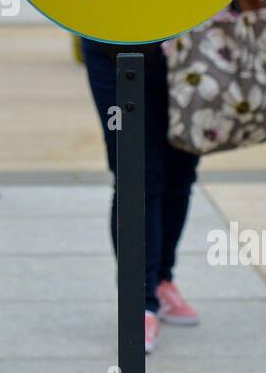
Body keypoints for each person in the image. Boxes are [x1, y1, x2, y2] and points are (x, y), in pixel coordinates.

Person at [81, 37, 202, 354]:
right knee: (135, 173)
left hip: (192, 45)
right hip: (112, 41)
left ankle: (161, 280)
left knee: (181, 169)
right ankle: (140, 302)